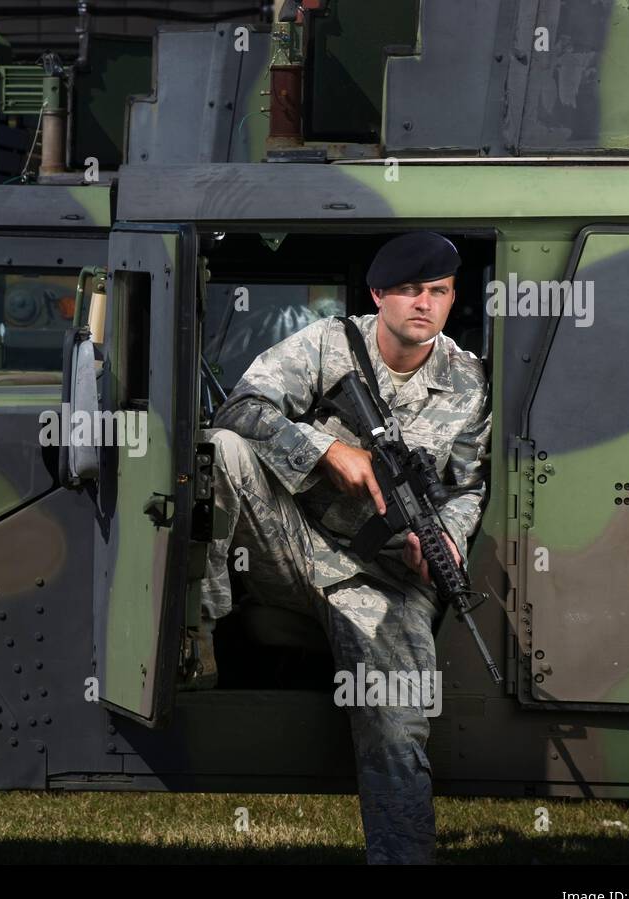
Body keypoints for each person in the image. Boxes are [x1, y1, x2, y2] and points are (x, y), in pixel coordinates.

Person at [190, 231, 492, 864]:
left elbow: (468, 484)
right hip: (293, 542)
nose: (423, 304)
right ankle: (200, 629)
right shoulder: (331, 344)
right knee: (223, 451)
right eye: (409, 290)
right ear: (379, 294)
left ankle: (401, 858)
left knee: (397, 717)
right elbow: (242, 408)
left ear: (452, 298)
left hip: (384, 577)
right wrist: (326, 451)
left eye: (438, 292)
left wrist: (445, 537)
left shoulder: (468, 381)